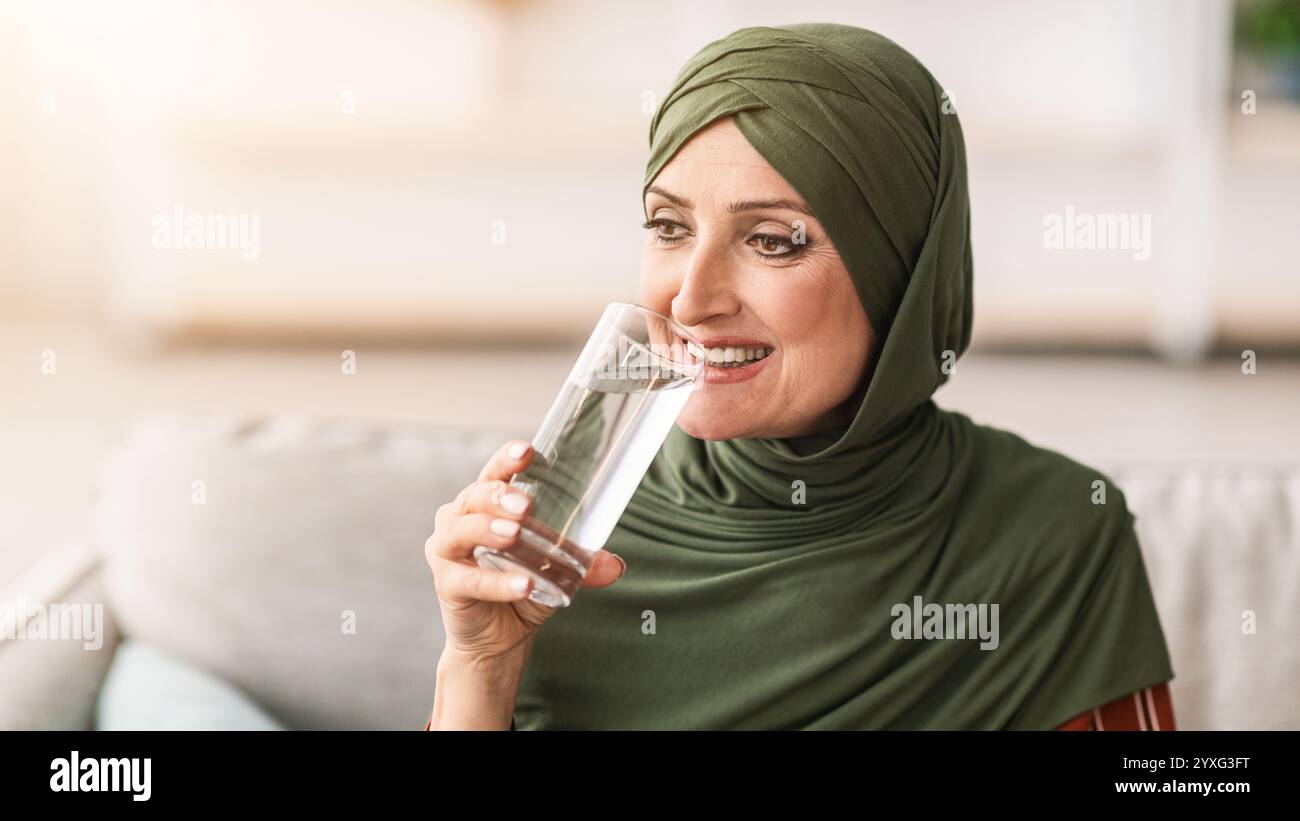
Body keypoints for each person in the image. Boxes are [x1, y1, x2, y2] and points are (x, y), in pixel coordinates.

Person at [423, 23, 1176, 730]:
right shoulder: (558, 531)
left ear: (900, 275)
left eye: (773, 240)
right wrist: (481, 664)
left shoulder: (1057, 536)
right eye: (669, 226)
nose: (689, 298)